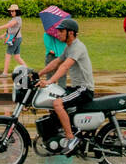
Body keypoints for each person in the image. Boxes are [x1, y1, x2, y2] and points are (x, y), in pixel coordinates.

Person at [35, 19, 94, 153]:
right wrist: (39, 73)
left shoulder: (77, 47)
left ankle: (70, 138)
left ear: (71, 33)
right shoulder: (69, 47)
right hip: (75, 88)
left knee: (57, 103)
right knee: (50, 99)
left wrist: (49, 81)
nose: (58, 34)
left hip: (84, 89)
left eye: (61, 31)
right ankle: (59, 132)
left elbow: (65, 66)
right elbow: (56, 62)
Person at [0, 3, 28, 76]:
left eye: (13, 11)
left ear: (16, 11)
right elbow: (10, 29)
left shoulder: (17, 19)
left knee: (8, 55)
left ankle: (5, 73)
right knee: (17, 57)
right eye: (10, 11)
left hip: (15, 39)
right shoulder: (14, 18)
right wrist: (4, 35)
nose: (11, 12)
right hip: (15, 38)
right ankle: (28, 70)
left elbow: (9, 25)